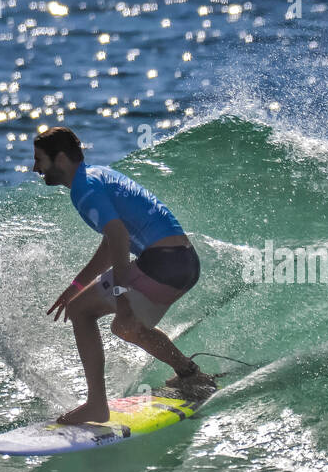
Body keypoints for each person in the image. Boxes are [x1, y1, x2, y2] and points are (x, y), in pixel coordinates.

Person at [32, 126, 214, 424]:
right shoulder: (97, 176)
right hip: (183, 262)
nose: (35, 168)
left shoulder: (84, 189)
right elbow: (112, 243)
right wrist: (75, 286)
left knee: (82, 311)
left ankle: (96, 405)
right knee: (125, 327)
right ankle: (192, 377)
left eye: (40, 159)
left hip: (163, 261)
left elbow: (118, 238)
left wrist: (121, 296)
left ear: (61, 158)